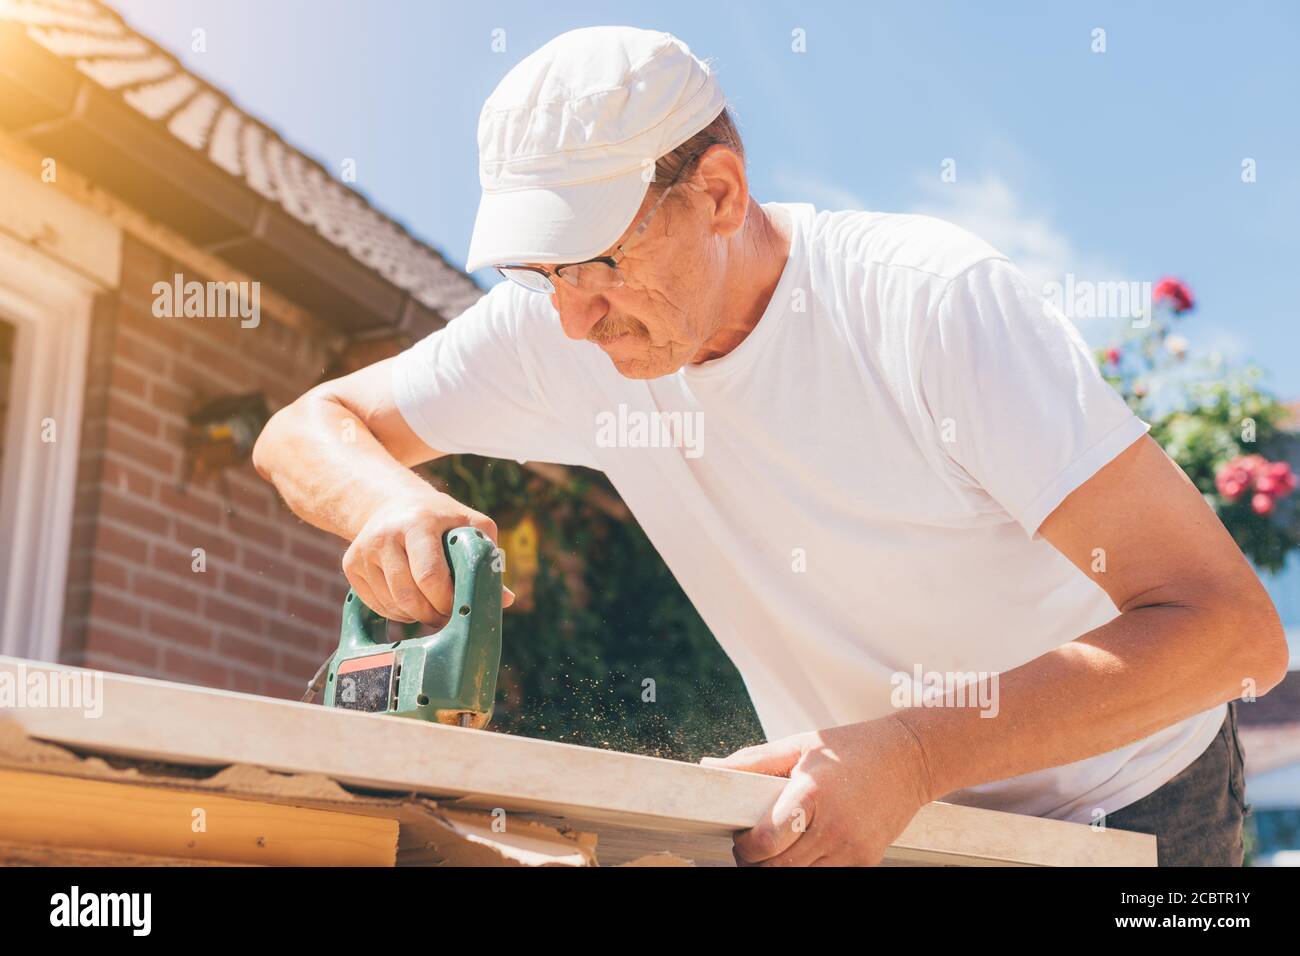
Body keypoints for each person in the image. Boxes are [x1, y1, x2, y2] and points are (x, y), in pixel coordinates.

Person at [253, 26, 1287, 865]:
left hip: (1132, 798)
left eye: (598, 260)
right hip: (876, 806)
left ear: (717, 192)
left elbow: (1232, 635)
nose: (574, 318)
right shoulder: (563, 326)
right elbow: (305, 428)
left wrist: (921, 749)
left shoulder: (926, 305)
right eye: (542, 272)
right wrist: (380, 501)